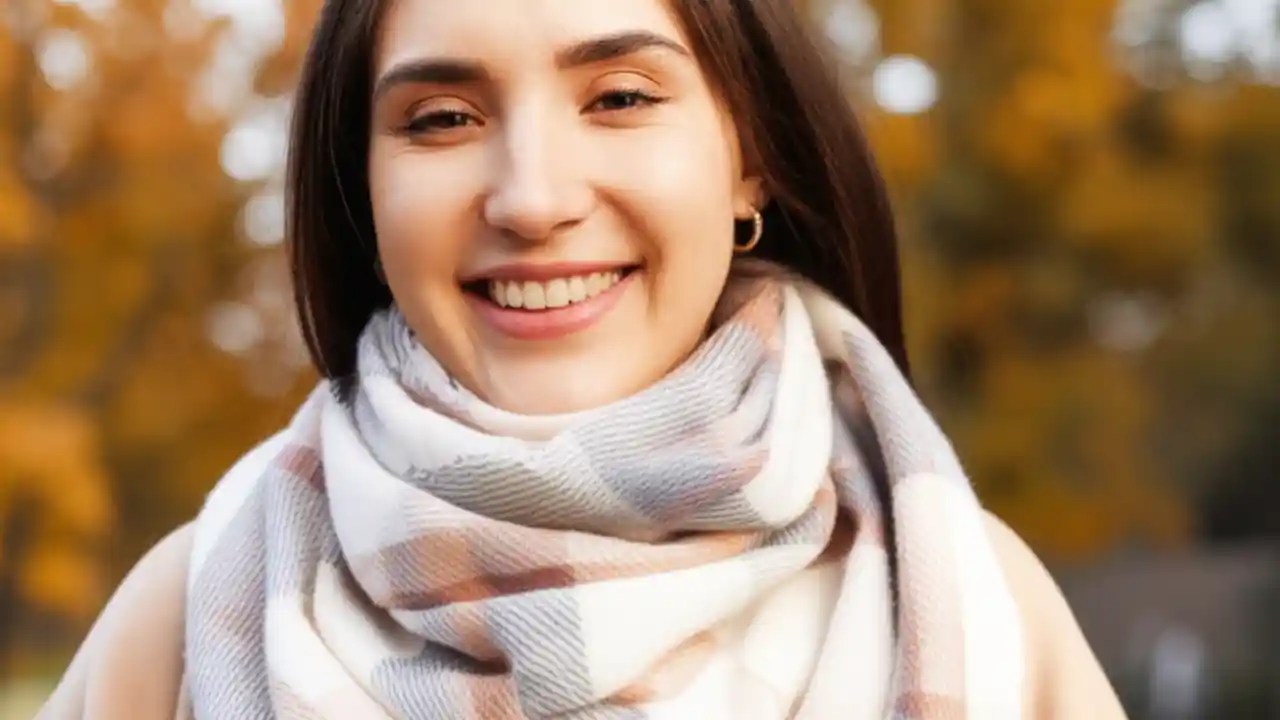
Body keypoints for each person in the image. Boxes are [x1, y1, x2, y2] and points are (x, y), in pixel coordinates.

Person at [39, 0, 1128, 717]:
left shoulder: (970, 603)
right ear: (362, 190)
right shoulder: (188, 619)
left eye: (619, 98)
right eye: (442, 118)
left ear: (748, 158)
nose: (533, 198)